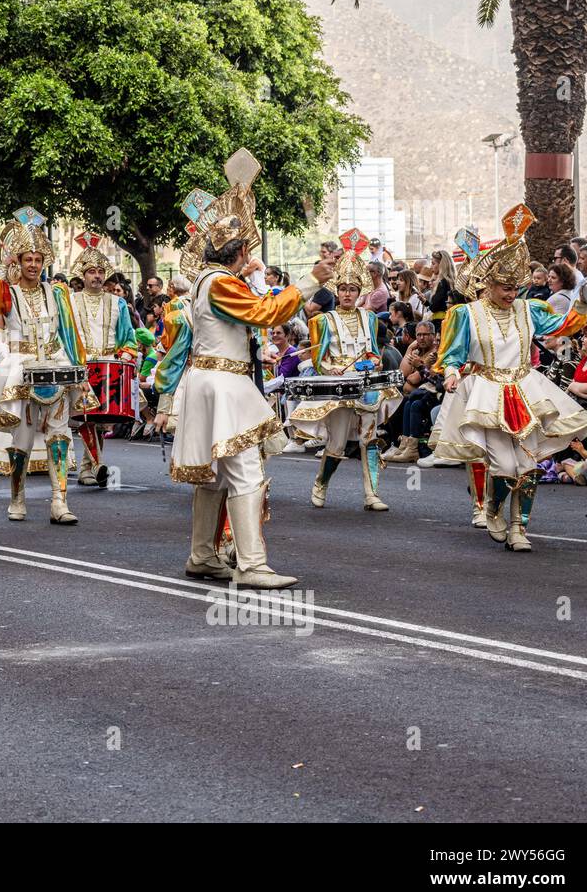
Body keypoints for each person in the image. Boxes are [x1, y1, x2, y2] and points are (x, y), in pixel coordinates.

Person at [154, 149, 333, 589]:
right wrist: (309, 281)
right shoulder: (220, 283)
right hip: (223, 383)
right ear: (240, 252)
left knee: (214, 478)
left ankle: (201, 555)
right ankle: (251, 565)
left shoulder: (208, 281)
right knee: (246, 472)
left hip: (212, 381)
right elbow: (267, 313)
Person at [430, 204, 587, 553]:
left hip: (525, 389)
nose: (509, 293)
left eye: (514, 287)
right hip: (486, 393)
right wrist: (451, 374)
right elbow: (453, 355)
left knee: (529, 464)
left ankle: (520, 527)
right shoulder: (467, 314)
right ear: (488, 283)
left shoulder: (529, 309)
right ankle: (491, 507)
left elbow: (562, 327)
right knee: (505, 465)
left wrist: (582, 306)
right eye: (503, 286)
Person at [0, 207, 88, 525]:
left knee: (60, 435)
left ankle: (59, 502)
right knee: (21, 441)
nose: (34, 265)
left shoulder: (58, 293)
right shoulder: (5, 293)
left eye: (39, 260)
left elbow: (69, 333)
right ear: (19, 262)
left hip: (55, 366)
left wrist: (79, 370)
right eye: (28, 259)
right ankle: (18, 497)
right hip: (20, 370)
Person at [288, 243, 402, 510]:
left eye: (352, 289)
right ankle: (321, 483)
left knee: (370, 439)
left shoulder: (371, 318)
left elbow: (375, 352)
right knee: (337, 446)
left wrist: (371, 362)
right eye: (343, 289)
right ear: (336, 291)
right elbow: (319, 359)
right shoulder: (322, 321)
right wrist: (331, 369)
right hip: (340, 386)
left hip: (366, 384)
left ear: (358, 291)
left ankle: (372, 494)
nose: (347, 293)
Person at [66, 235, 137, 486]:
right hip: (80, 366)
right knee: (86, 415)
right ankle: (95, 465)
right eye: (91, 272)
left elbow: (129, 338)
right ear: (82, 276)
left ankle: (90, 468)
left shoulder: (118, 303)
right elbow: (63, 334)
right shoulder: (70, 302)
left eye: (100, 272)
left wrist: (126, 358)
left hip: (108, 365)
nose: (96, 276)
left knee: (99, 417)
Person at [383, 321, 440, 464]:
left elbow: (413, 379)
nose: (421, 338)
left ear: (433, 336)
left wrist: (420, 366)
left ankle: (407, 447)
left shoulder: (434, 354)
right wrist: (409, 349)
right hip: (413, 394)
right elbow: (402, 375)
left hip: (431, 395)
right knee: (396, 400)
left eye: (425, 335)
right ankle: (403, 446)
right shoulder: (415, 352)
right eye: (418, 335)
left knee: (408, 403)